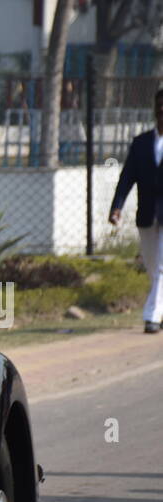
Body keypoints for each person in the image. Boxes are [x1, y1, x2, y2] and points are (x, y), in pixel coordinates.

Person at [108, 86, 163, 334]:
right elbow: (127, 177)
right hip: (147, 214)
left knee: (162, 267)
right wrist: (117, 207)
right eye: (159, 106)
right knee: (152, 268)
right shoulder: (140, 143)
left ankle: (151, 317)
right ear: (154, 110)